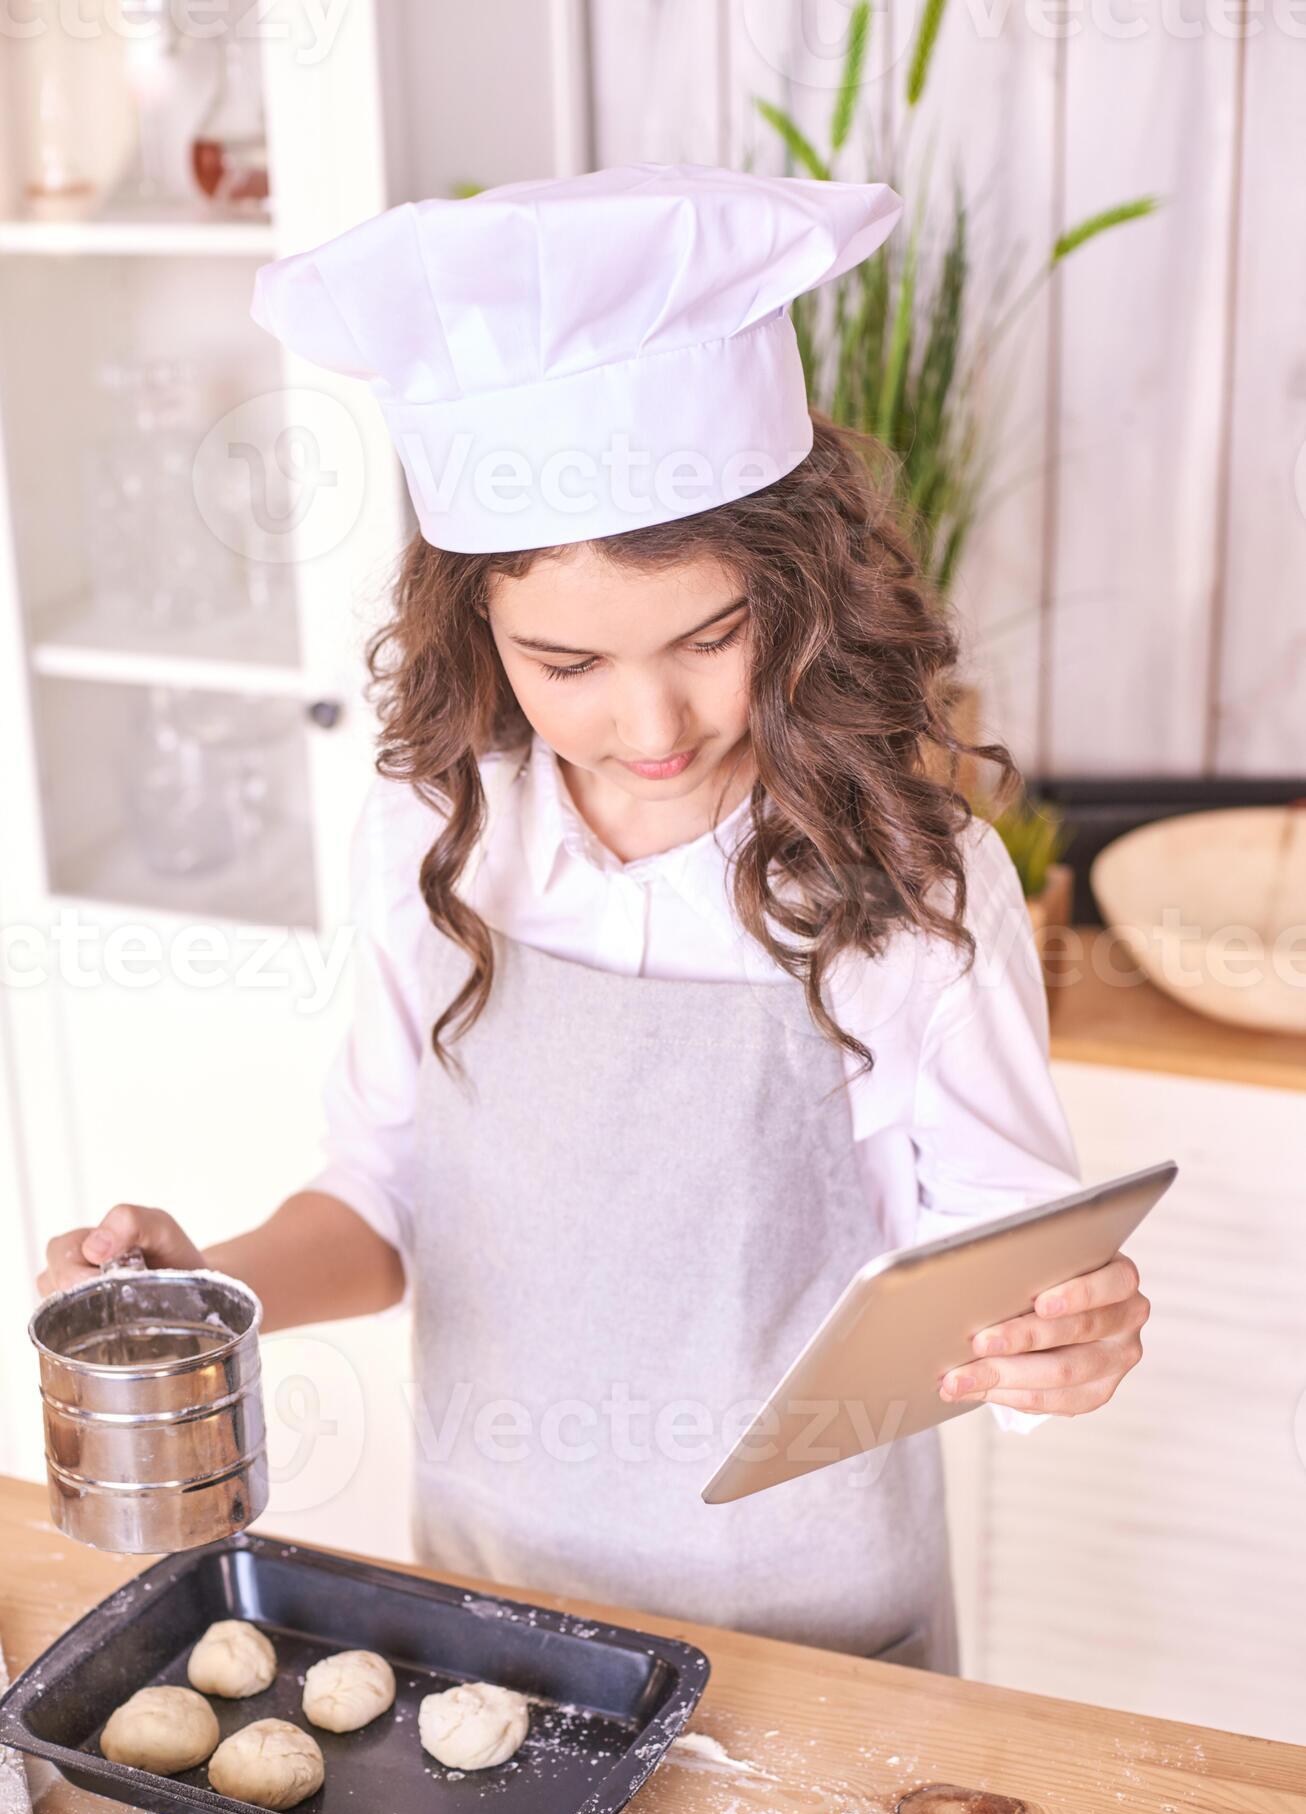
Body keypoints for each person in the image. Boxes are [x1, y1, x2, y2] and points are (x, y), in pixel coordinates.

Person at [38, 165, 1150, 1675]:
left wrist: (1057, 1342)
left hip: (813, 1633)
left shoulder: (912, 885)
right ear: (476, 636)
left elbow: (995, 1278)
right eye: (568, 666)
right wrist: (201, 1296)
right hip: (491, 1603)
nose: (654, 724)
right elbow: (378, 1205)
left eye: (711, 638)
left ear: (800, 591)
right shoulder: (438, 835)